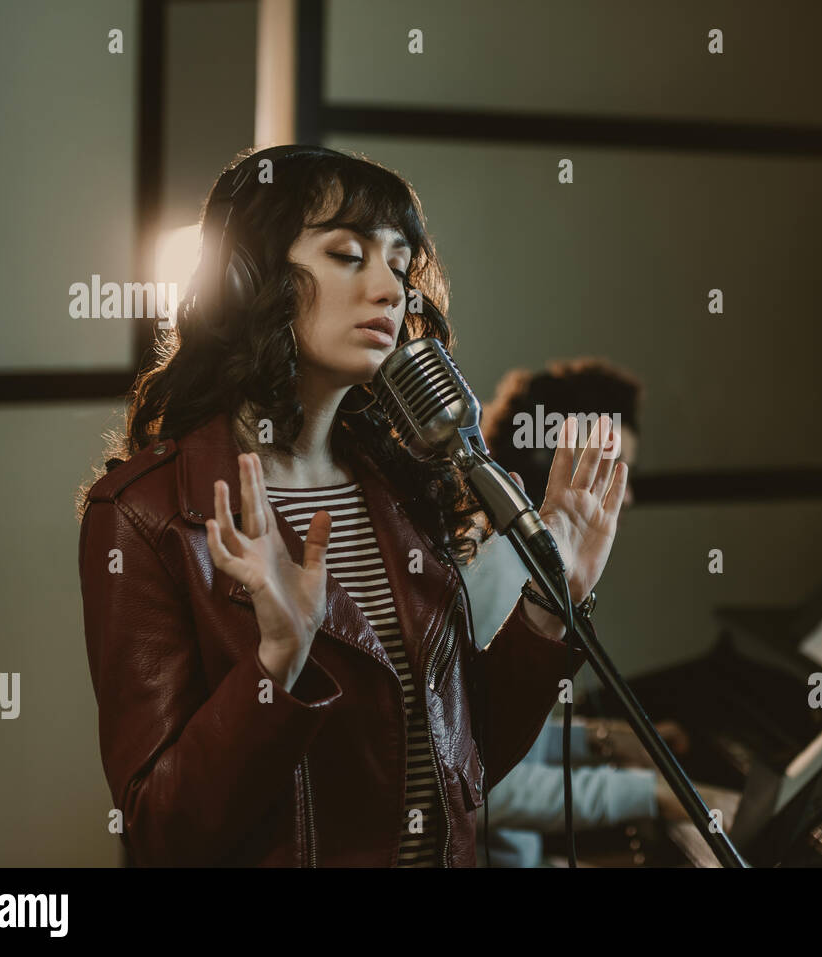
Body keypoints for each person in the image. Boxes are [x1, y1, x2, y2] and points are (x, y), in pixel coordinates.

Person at [75, 145, 629, 867]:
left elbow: (465, 759)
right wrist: (277, 666)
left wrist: (551, 608)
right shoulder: (146, 515)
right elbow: (161, 832)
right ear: (250, 279)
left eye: (400, 265)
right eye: (348, 255)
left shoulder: (401, 483)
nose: (389, 289)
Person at [462, 360, 735, 866]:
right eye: (612, 471)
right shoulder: (497, 563)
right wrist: (653, 793)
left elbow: (493, 723)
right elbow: (477, 781)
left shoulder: (512, 554)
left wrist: (601, 741)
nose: (627, 497)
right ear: (550, 466)